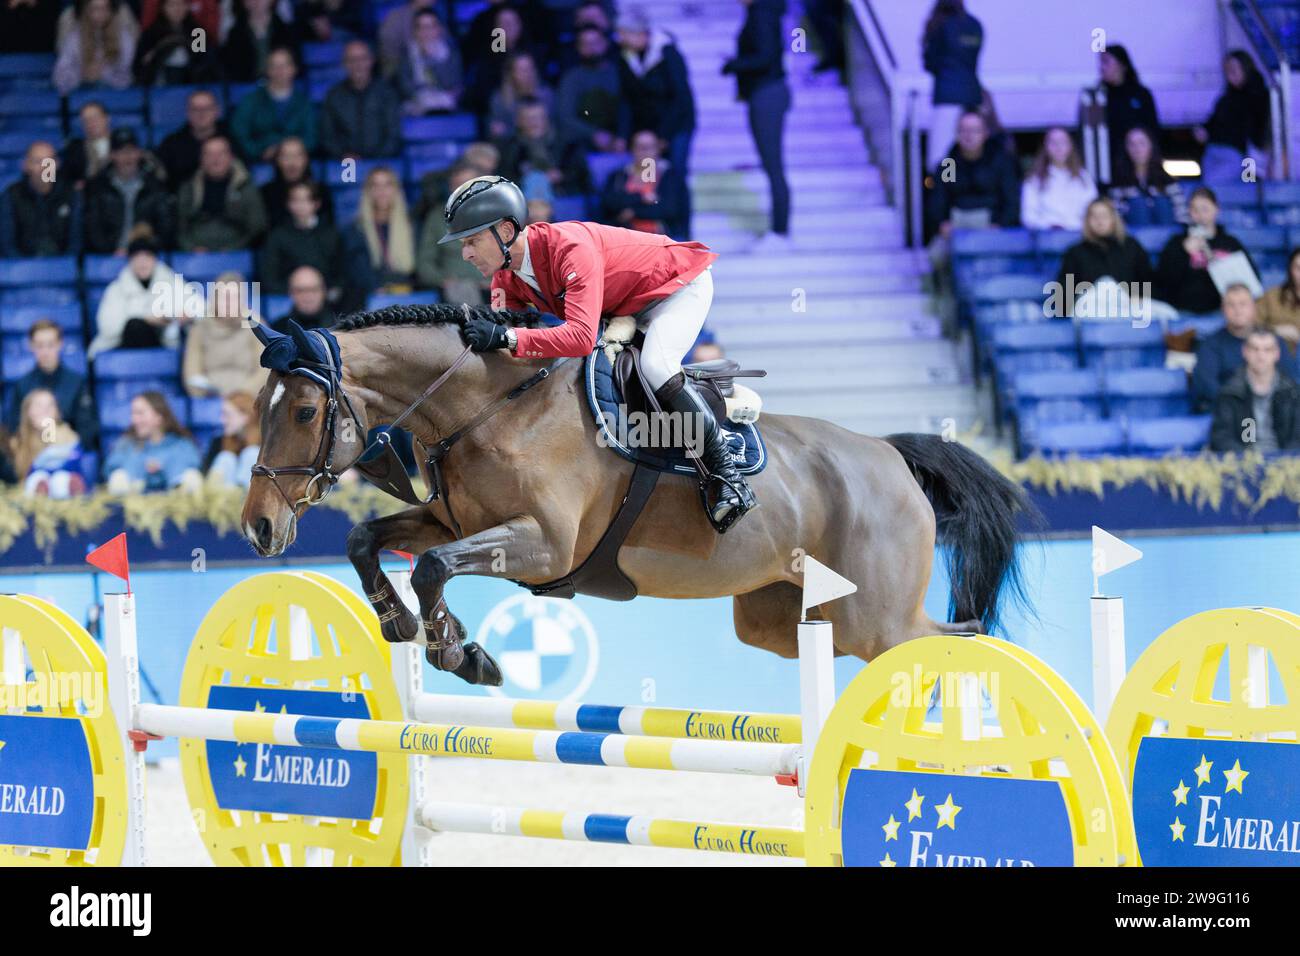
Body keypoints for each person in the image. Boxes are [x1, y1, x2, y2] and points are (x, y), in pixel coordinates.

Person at [437, 174, 755, 529]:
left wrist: (505, 338)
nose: (465, 254)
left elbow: (579, 338)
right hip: (623, 307)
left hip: (674, 289)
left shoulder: (569, 249)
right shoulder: (504, 279)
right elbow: (508, 351)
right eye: (464, 244)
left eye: (472, 241)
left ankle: (727, 472)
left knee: (655, 365)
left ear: (506, 232)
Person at [723, 0, 791, 252]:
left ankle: (781, 232)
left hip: (767, 94)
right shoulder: (762, 12)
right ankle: (780, 230)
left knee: (773, 165)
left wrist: (733, 65)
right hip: (765, 92)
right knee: (772, 164)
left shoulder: (762, 13)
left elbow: (765, 56)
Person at [616, 8, 696, 181]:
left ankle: (679, 208)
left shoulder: (667, 53)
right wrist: (623, 134)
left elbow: (680, 97)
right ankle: (650, 206)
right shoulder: (626, 57)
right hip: (647, 126)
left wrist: (664, 135)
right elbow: (626, 98)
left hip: (676, 126)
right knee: (648, 175)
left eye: (624, 34)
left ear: (640, 33)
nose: (620, 39)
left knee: (675, 172)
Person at [1192, 284, 1297, 412]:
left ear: (1254, 308)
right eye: (1231, 305)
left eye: (1243, 304)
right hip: (1228, 414)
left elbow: (1290, 380)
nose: (1238, 310)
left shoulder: (1273, 341)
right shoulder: (1210, 345)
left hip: (1273, 412)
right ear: (1223, 309)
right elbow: (1207, 387)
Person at [1156, 187, 1257, 315]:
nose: (1200, 215)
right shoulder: (1176, 243)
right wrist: (1183, 252)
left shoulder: (1230, 243)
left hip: (1223, 313)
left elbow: (1251, 280)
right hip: (1184, 312)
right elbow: (1163, 282)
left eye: (1205, 209)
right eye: (1195, 210)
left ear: (1216, 209)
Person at [1054, 199, 1156, 319]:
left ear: (1113, 219)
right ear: (1087, 221)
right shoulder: (1075, 253)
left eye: (1104, 216)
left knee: (1164, 313)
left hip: (1128, 308)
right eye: (1094, 216)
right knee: (1105, 285)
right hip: (1092, 310)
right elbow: (1063, 296)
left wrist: (1137, 296)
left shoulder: (1132, 247)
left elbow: (1149, 281)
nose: (1099, 221)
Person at [2, 319, 98, 445]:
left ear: (60, 344)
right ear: (31, 346)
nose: (45, 352)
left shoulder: (76, 383)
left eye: (50, 345)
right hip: (30, 451)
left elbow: (87, 427)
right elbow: (13, 426)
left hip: (66, 450)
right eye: (40, 345)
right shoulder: (22, 385)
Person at [83, 128, 176, 253]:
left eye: (131, 151)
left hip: (148, 255)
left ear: (139, 153)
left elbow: (166, 227)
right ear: (112, 156)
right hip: (109, 257)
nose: (128, 158)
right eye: (121, 152)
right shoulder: (99, 188)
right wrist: (110, 251)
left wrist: (145, 250)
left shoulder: (155, 186)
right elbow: (93, 229)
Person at [928, 109, 1021, 235]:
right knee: (936, 254)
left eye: (975, 130)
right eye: (963, 130)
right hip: (956, 228)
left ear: (985, 133)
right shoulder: (949, 164)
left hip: (992, 226)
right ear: (957, 133)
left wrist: (1001, 225)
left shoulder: (1000, 162)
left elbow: (1011, 200)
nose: (968, 136)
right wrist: (942, 223)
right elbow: (939, 200)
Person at [90, 235, 185, 355]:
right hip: (120, 346)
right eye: (137, 258)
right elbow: (108, 328)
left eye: (147, 257)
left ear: (155, 259)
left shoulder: (171, 281)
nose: (142, 263)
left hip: (162, 344)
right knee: (135, 326)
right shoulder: (116, 289)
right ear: (130, 261)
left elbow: (197, 308)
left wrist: (183, 316)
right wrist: (148, 319)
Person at [1209, 327, 1300, 452]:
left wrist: (1285, 462)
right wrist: (1246, 460)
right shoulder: (1230, 392)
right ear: (1245, 352)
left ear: (1277, 354)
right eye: (1254, 349)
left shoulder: (1293, 392)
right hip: (1243, 463)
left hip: (1286, 464)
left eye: (1267, 350)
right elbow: (1222, 437)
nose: (1260, 355)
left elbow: (1297, 437)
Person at [182, 272, 268, 397]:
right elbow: (192, 372)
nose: (228, 303)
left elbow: (265, 370)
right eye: (223, 297)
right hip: (210, 398)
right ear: (214, 299)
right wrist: (205, 393)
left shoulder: (255, 324)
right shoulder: (199, 328)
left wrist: (240, 395)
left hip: (248, 398)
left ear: (242, 300)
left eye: (234, 297)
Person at [921, 0, 983, 174]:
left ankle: (947, 194)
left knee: (944, 155)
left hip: (947, 96)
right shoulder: (975, 25)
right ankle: (969, 192)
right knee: (971, 150)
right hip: (972, 96)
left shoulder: (940, 24)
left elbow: (930, 62)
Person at [417, 161, 491, 304]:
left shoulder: (499, 215)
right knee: (463, 293)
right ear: (451, 188)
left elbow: (512, 256)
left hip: (491, 285)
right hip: (455, 287)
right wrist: (442, 280)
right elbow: (425, 262)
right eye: (459, 185)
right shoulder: (437, 217)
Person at [177, 135, 268, 251]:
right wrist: (191, 248)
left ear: (231, 157)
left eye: (221, 153)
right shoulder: (188, 188)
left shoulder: (246, 187)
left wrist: (234, 248)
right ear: (201, 159)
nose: (215, 159)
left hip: (237, 252)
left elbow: (257, 227)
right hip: (195, 254)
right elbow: (179, 227)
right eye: (209, 154)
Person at [103, 390, 202, 493]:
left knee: (192, 477)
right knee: (118, 477)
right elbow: (111, 468)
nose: (134, 420)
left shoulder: (181, 445)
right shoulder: (126, 446)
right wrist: (142, 469)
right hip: (134, 505)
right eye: (133, 414)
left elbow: (192, 465)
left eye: (140, 413)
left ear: (159, 417)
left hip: (175, 506)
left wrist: (163, 467)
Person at [1196, 50, 1271, 184]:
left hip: (1240, 155)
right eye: (1227, 70)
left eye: (1234, 68)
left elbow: (1260, 130)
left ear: (1246, 68)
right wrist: (1204, 130)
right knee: (1212, 189)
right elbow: (1213, 121)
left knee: (1214, 187)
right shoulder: (1226, 98)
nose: (1230, 74)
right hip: (1214, 150)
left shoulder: (1259, 96)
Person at [599, 130, 689, 240]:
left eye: (649, 147)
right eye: (640, 147)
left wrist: (633, 211)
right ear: (632, 149)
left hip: (661, 238)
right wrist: (640, 197)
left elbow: (669, 209)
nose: (644, 152)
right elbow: (609, 202)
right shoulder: (618, 176)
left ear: (658, 149)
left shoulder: (670, 176)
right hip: (624, 238)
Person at [231, 47, 317, 161]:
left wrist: (283, 150)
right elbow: (239, 134)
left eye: (284, 65)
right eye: (274, 66)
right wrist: (259, 151)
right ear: (267, 70)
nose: (280, 71)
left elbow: (311, 139)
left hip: (296, 162)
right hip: (258, 161)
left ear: (294, 69)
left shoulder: (305, 103)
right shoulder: (250, 101)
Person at [320, 41, 402, 159]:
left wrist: (375, 160)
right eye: (352, 60)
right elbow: (327, 136)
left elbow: (393, 136)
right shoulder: (333, 96)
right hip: (346, 164)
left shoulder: (387, 94)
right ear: (344, 64)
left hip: (381, 163)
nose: (358, 64)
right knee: (344, 175)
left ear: (371, 61)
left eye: (362, 58)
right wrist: (343, 155)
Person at [260, 181, 344, 295]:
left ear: (316, 204)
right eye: (295, 200)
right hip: (290, 297)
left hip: (327, 299)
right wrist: (298, 293)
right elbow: (269, 277)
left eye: (305, 200)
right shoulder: (277, 236)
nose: (300, 205)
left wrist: (326, 292)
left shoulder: (332, 234)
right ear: (288, 204)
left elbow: (341, 273)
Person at [497, 98, 591, 200]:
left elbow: (582, 173)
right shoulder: (510, 148)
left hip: (565, 197)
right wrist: (527, 178)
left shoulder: (568, 143)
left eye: (538, 117)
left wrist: (562, 175)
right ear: (518, 121)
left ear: (546, 118)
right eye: (527, 118)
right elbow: (504, 178)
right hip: (525, 200)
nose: (533, 123)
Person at [0, 141, 81, 257]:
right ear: (26, 165)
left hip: (64, 267)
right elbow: (6, 243)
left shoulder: (70, 194)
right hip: (20, 268)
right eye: (38, 162)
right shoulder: (11, 195)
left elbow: (76, 240)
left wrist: (64, 266)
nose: (45, 168)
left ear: (57, 164)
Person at [1092, 45, 1159, 179]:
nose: (1101, 67)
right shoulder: (1096, 97)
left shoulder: (1140, 94)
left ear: (1122, 65)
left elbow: (1153, 130)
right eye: (1100, 62)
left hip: (1137, 163)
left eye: (1106, 62)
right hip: (1107, 164)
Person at [555, 26, 624, 152]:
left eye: (596, 42)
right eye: (586, 44)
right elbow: (566, 117)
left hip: (622, 140)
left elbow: (629, 109)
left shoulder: (621, 73)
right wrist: (593, 134)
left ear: (606, 43)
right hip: (583, 144)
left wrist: (622, 136)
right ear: (578, 48)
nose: (592, 48)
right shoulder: (571, 78)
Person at [350, 165, 415, 293]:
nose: (382, 191)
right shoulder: (356, 229)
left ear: (396, 190)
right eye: (375, 185)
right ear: (368, 191)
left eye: (387, 185)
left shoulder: (412, 225)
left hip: (407, 292)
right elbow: (358, 268)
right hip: (371, 294)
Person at [10, 389, 87, 497]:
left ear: (57, 412)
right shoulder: (17, 442)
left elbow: (75, 461)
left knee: (61, 480)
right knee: (36, 480)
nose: (45, 410)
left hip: (63, 483)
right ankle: (40, 488)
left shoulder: (68, 435)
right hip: (32, 491)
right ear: (27, 411)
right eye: (38, 405)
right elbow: (20, 475)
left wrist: (48, 432)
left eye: (50, 405)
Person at [1020, 126, 1097, 231]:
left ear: (1070, 146)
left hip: (1078, 235)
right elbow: (1028, 216)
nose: (1058, 147)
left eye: (1063, 142)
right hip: (1046, 238)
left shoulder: (1083, 177)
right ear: (1046, 147)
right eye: (1053, 142)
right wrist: (1048, 226)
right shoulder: (1034, 179)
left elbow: (1093, 210)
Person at [1107, 127, 1187, 227]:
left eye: (1142, 143)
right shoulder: (1118, 182)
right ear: (1126, 148)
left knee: (1161, 203)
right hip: (1133, 236)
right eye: (1132, 144)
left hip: (1168, 235)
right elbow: (1115, 216)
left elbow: (1182, 214)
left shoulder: (1167, 180)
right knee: (1138, 204)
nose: (1137, 149)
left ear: (1151, 146)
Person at [53, 0, 136, 94]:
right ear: (87, 10)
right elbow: (59, 75)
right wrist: (82, 74)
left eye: (104, 8)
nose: (100, 14)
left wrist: (103, 73)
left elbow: (127, 74)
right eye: (95, 9)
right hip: (82, 95)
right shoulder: (75, 37)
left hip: (115, 96)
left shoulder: (123, 37)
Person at [155, 89, 232, 191]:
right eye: (196, 109)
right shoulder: (171, 143)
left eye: (207, 108)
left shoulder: (231, 139)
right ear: (187, 112)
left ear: (217, 111)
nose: (201, 114)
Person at [132, 0, 222, 85]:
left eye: (181, 4)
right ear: (163, 8)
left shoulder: (197, 32)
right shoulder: (152, 34)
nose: (177, 9)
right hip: (159, 89)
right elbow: (139, 67)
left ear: (187, 7)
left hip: (192, 86)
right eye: (172, 5)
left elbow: (206, 62)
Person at [396, 9, 462, 115]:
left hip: (447, 105)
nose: (426, 32)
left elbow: (450, 84)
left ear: (438, 29)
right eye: (421, 27)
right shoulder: (406, 55)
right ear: (415, 31)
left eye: (431, 26)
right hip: (416, 106)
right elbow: (404, 87)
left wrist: (432, 59)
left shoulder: (451, 54)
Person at [260, 136, 333, 229]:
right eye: (286, 156)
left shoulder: (321, 191)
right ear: (277, 160)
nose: (292, 163)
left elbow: (328, 229)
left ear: (306, 159)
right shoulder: (266, 193)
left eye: (297, 156)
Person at [221, 0, 297, 83]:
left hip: (280, 86)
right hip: (246, 86)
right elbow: (230, 68)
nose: (257, 2)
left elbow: (295, 64)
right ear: (244, 2)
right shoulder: (234, 34)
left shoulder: (286, 32)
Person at [487, 52, 553, 141]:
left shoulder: (546, 94)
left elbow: (551, 126)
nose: (528, 74)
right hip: (512, 146)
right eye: (522, 70)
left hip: (543, 143)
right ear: (511, 74)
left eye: (530, 69)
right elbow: (497, 129)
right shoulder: (500, 99)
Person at [202, 391, 261, 486]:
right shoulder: (218, 441)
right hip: (222, 496)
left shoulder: (264, 444)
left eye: (227, 415)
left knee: (251, 453)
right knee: (225, 458)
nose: (222, 420)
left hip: (252, 495)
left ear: (245, 416)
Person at [1256, 248, 1300, 355]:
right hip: (1273, 359)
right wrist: (1275, 330)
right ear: (1290, 270)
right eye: (1298, 268)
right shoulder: (1271, 296)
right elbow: (1251, 326)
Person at [61, 100, 114, 188]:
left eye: (95, 118)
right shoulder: (74, 149)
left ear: (107, 118)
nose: (91, 123)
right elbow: (67, 177)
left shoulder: (121, 144)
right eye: (86, 120)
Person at [273, 265, 336, 331]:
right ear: (290, 293)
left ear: (324, 291)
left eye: (313, 290)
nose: (308, 297)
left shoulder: (340, 328)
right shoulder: (277, 330)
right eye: (300, 291)